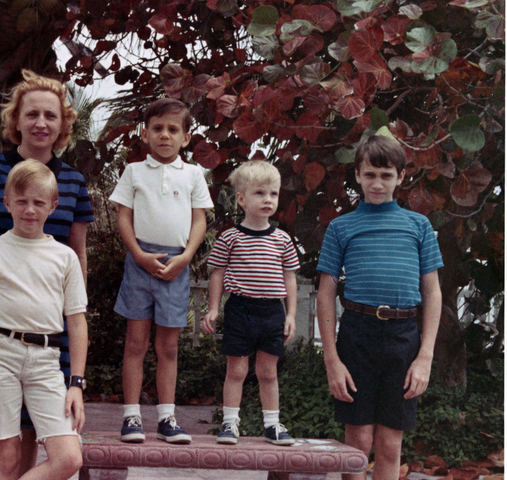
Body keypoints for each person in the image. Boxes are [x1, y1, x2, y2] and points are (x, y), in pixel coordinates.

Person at [0, 70, 94, 479]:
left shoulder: (74, 183)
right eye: (32, 114)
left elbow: (77, 254)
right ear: (17, 120)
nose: (41, 123)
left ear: (63, 123)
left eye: (50, 115)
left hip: (46, 326)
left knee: (33, 432)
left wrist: (73, 314)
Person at [315, 135, 443, 480]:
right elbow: (325, 294)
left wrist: (425, 356)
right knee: (357, 443)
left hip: (404, 339)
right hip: (357, 335)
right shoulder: (341, 227)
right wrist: (332, 360)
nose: (377, 183)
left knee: (389, 444)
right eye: (370, 174)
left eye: (386, 176)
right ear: (357, 174)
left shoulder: (419, 227)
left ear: (401, 177)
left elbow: (432, 292)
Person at [0, 159, 87, 480]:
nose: (29, 210)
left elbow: (77, 322)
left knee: (69, 459)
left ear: (53, 206)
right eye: (21, 201)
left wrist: (76, 383)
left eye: (38, 202)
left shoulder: (65, 257)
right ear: (6, 203)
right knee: (5, 462)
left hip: (46, 361)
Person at [109, 98, 213, 444]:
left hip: (176, 265)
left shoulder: (194, 174)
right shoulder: (134, 171)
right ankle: (131, 417)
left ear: (186, 137)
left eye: (173, 129)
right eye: (157, 128)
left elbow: (200, 219)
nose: (164, 135)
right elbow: (124, 216)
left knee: (168, 347)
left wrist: (185, 258)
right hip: (140, 263)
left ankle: (167, 418)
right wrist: (138, 254)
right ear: (145, 133)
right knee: (136, 343)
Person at [200, 160, 300, 446]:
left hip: (272, 312)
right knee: (237, 370)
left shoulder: (282, 239)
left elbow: (290, 278)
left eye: (273, 193)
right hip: (240, 309)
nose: (268, 199)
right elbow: (217, 274)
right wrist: (214, 309)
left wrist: (290, 314)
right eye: (259, 193)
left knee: (268, 372)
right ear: (241, 199)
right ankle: (230, 424)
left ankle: (272, 425)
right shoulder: (230, 238)